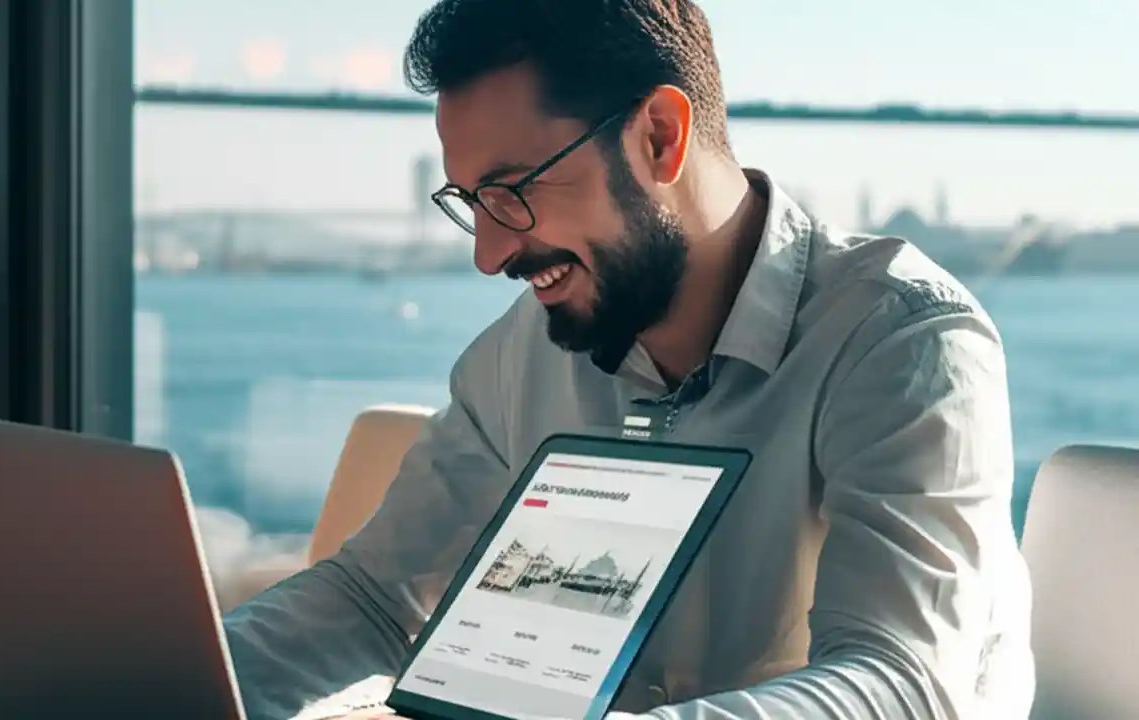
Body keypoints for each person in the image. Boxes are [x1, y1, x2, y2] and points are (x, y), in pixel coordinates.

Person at [222, 1, 1033, 718]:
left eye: (513, 190)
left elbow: (905, 684)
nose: (491, 252)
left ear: (659, 136)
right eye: (471, 204)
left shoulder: (902, 342)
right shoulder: (523, 351)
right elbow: (374, 600)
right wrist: (172, 680)